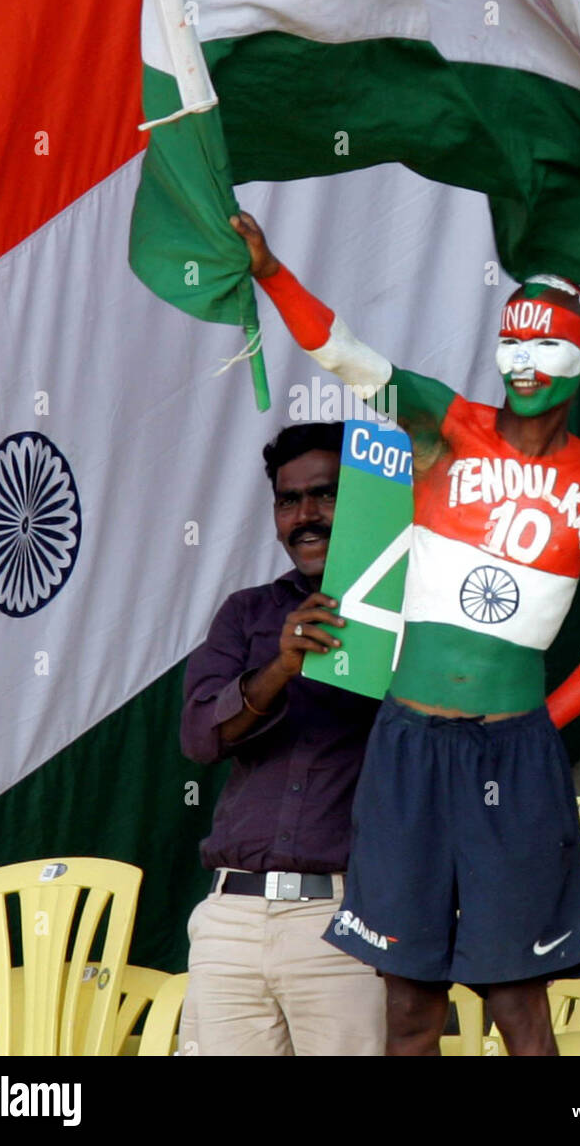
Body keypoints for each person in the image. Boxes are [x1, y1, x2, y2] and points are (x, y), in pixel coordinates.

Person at [230, 209, 580, 1057]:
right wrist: (271, 270)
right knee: (411, 1009)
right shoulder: (443, 426)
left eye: (550, 342)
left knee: (517, 1007)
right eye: (513, 341)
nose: (526, 361)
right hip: (407, 748)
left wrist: (539, 728)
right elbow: (345, 353)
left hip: (515, 755)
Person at [178, 421, 386, 1056]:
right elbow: (199, 738)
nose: (307, 515)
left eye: (326, 495)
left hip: (344, 915)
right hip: (230, 917)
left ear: (365, 505)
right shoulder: (248, 613)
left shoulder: (408, 613)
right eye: (289, 500)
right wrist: (280, 668)